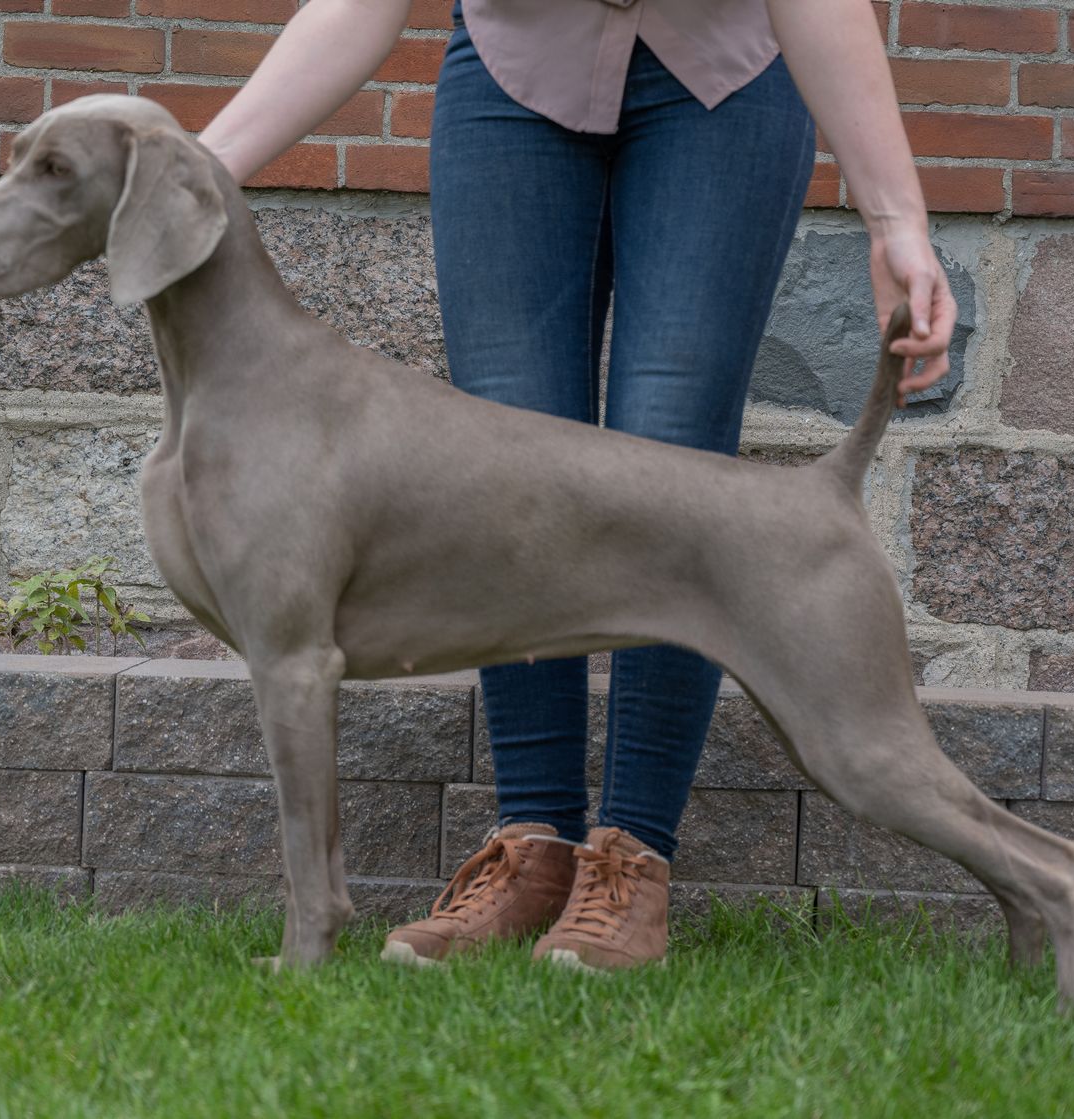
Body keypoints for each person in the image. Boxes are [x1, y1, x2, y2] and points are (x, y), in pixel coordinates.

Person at [200, 0, 956, 971]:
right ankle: (533, 848)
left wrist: (895, 219)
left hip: (719, 82)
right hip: (513, 81)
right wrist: (196, 171)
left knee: (675, 463)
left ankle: (632, 858)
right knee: (500, 476)